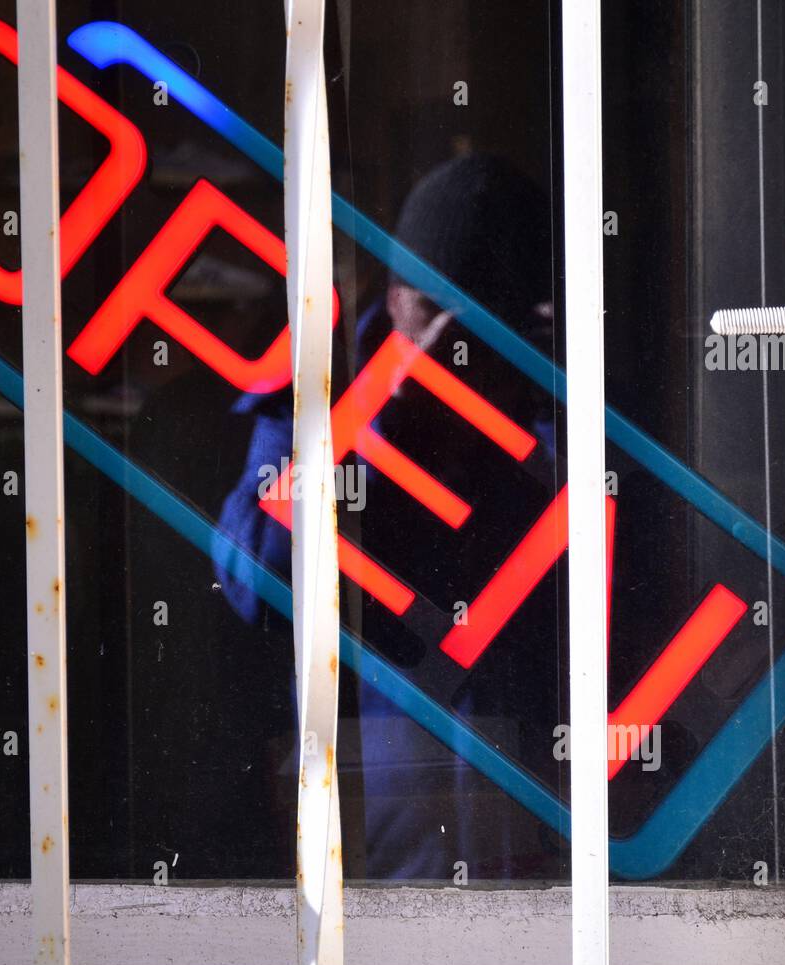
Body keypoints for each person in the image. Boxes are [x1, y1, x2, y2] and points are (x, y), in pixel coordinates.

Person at [213, 154, 559, 879]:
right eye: (437, 316)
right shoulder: (316, 401)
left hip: (543, 845)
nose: (456, 353)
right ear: (397, 296)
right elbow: (260, 580)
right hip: (382, 852)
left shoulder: (561, 407)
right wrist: (396, 428)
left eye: (482, 328)